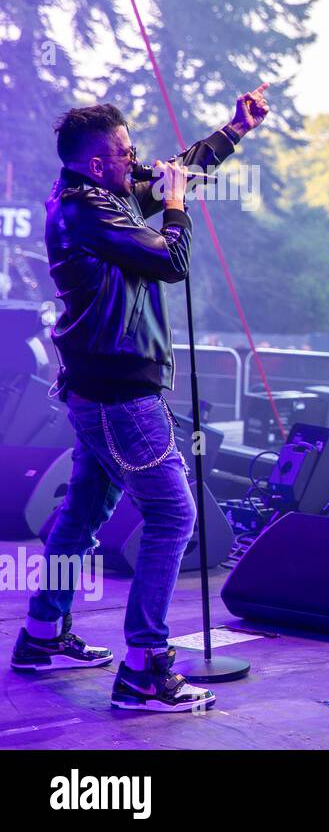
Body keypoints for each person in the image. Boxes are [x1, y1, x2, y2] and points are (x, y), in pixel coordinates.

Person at [11, 85, 271, 712]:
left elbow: (173, 176)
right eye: (126, 152)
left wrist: (233, 132)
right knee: (174, 517)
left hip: (97, 388)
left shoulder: (96, 195)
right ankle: (145, 670)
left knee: (81, 514)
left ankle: (42, 633)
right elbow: (170, 259)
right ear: (98, 162)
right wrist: (177, 209)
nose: (138, 160)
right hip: (121, 394)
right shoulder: (86, 210)